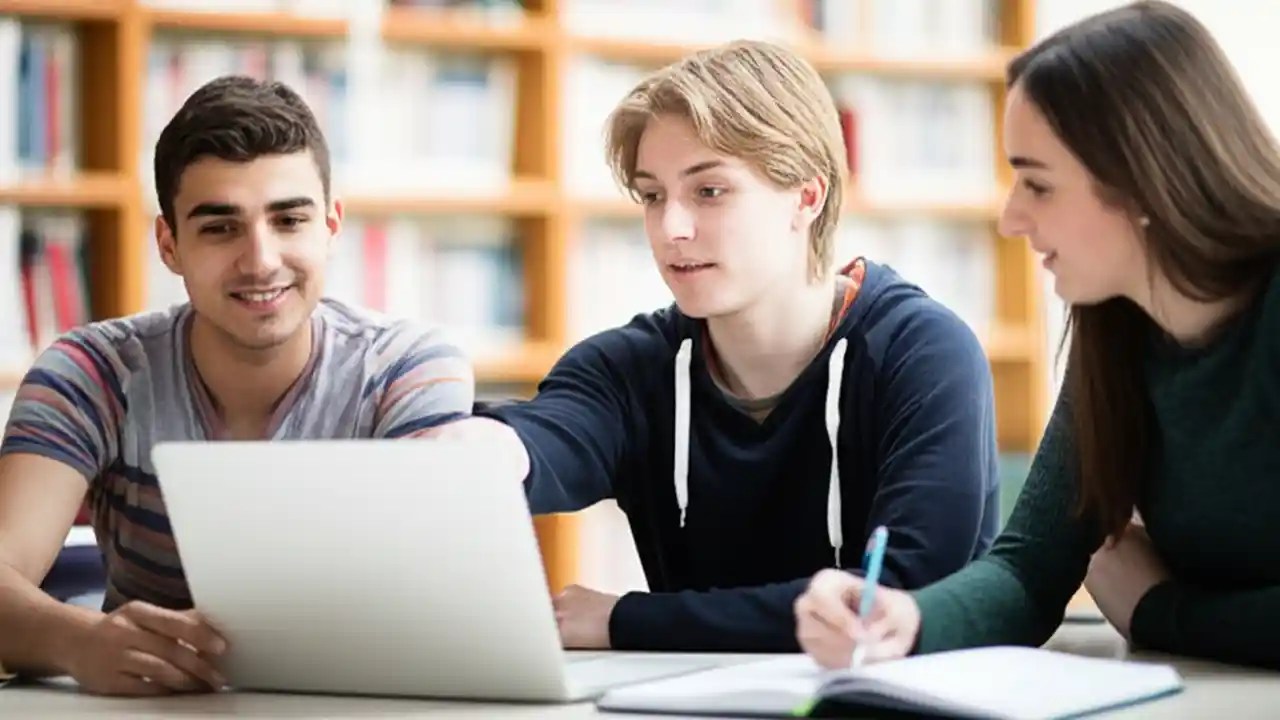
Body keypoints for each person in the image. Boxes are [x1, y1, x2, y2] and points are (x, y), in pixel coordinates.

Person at [431, 39, 1001, 653]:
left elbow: (891, 603)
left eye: (709, 192)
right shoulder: (631, 368)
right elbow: (556, 434)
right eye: (652, 196)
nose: (672, 228)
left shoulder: (923, 354)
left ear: (805, 197)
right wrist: (491, 447)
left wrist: (627, 620)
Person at [794, 0, 1280, 672]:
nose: (1009, 218)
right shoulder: (1118, 323)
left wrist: (1159, 609)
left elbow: (1140, 594)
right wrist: (905, 620)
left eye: (1037, 184)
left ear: (1141, 181)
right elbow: (1030, 568)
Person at [0, 76, 474, 695]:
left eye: (289, 220)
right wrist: (79, 641)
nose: (260, 260)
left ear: (331, 225)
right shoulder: (92, 372)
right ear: (169, 244)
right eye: (220, 227)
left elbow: (441, 602)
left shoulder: (407, 370)